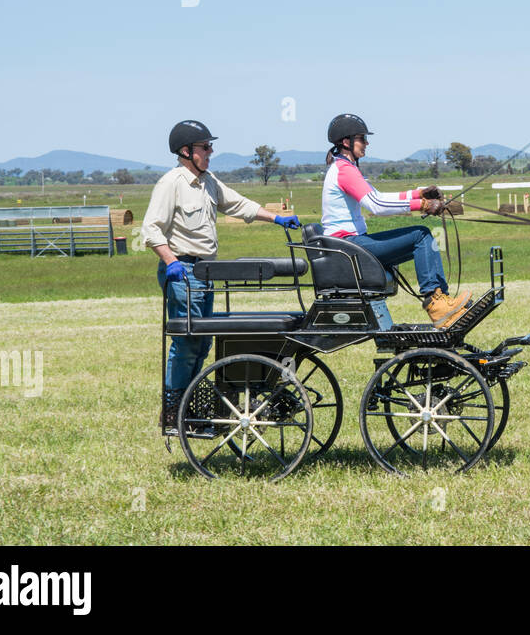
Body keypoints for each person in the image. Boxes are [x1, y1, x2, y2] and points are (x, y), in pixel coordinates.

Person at [142, 119, 301, 430]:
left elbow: (238, 204)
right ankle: (172, 411)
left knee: (201, 345)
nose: (211, 151)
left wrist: (277, 218)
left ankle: (192, 409)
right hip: (183, 270)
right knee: (186, 344)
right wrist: (170, 261)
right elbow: (150, 229)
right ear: (186, 151)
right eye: (205, 147)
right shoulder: (171, 183)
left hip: (205, 270)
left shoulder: (208, 181)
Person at [321, 113, 471, 329]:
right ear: (347, 141)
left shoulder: (345, 168)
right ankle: (437, 304)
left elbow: (380, 196)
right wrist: (423, 205)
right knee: (421, 236)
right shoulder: (344, 171)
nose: (366, 143)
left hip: (351, 244)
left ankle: (442, 301)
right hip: (349, 246)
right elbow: (377, 205)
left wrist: (418, 194)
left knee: (423, 237)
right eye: (362, 138)